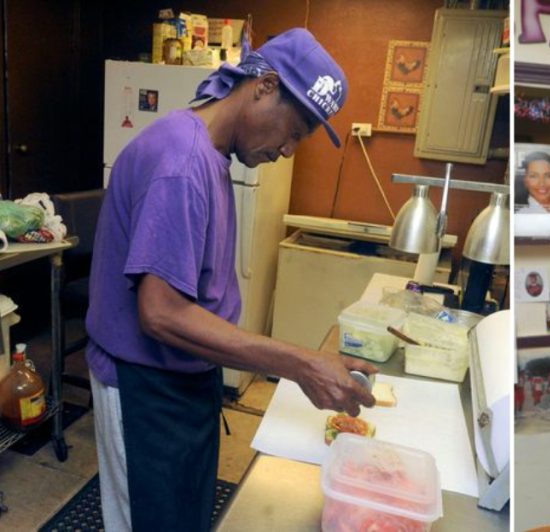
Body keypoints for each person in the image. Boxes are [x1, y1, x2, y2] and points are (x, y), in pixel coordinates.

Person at [86, 29, 377, 531]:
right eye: (295, 130)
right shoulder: (180, 162)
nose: (288, 149)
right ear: (263, 87)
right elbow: (161, 313)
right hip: (145, 391)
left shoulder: (209, 155)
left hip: (183, 380)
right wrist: (301, 363)